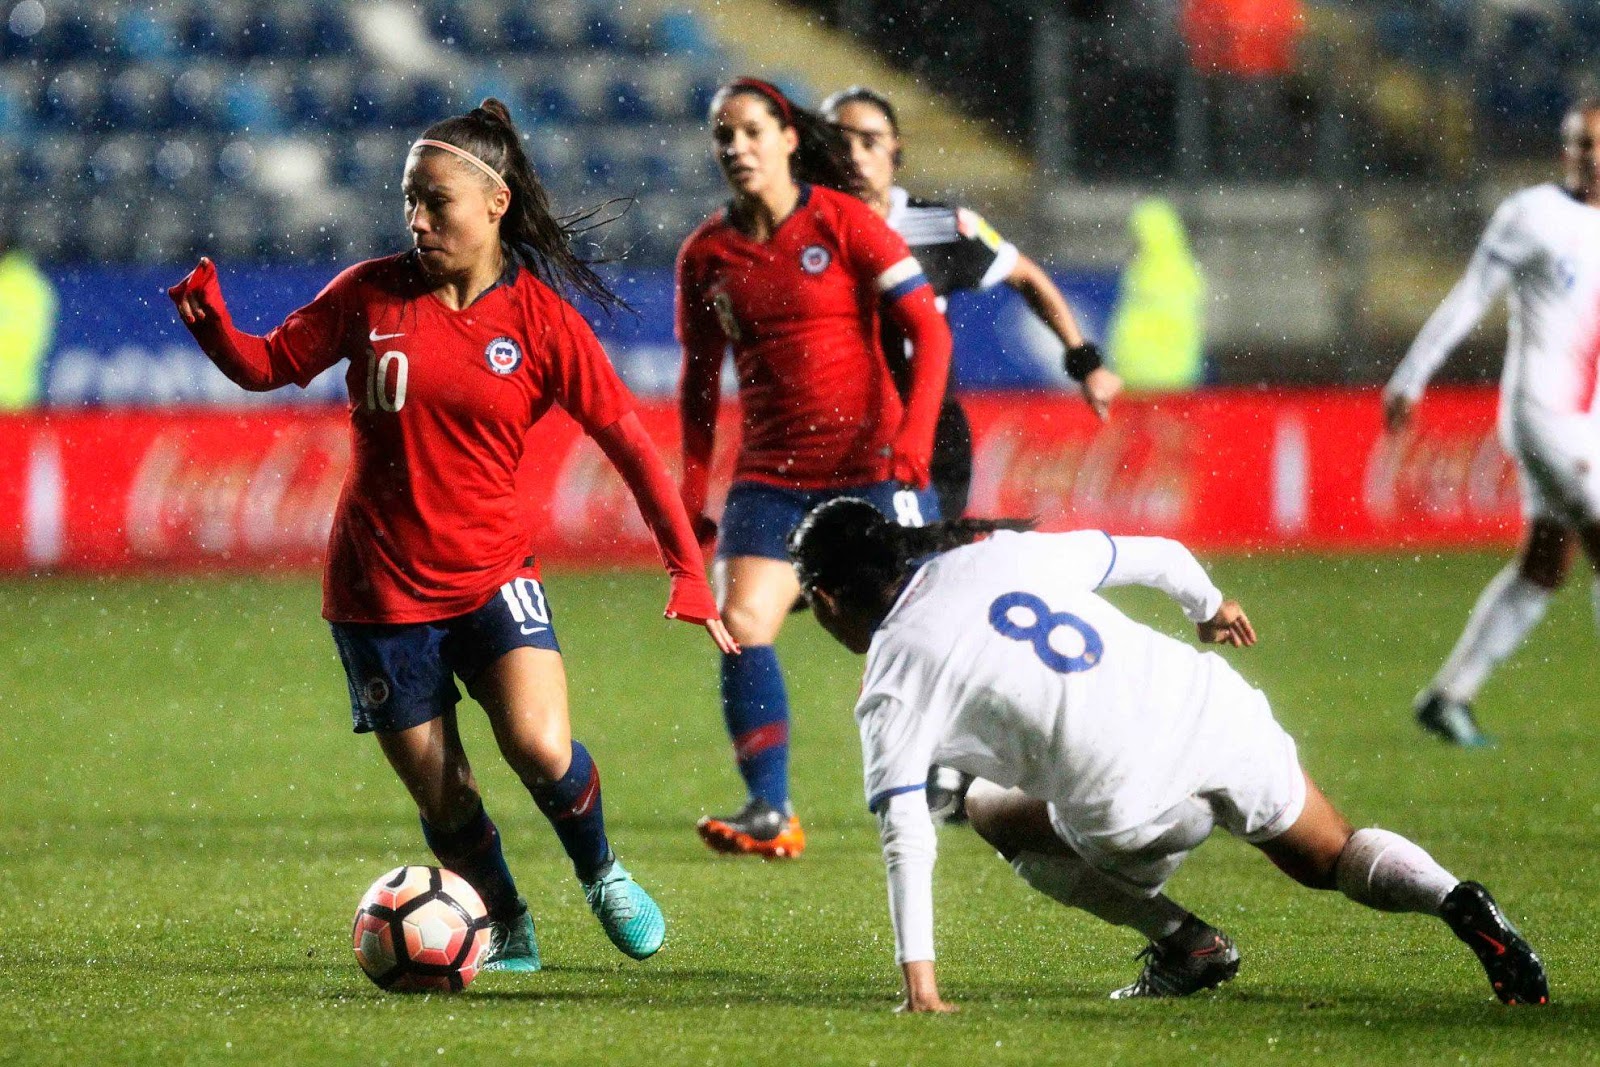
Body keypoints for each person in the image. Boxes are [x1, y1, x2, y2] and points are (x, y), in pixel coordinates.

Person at [167, 99, 737, 972]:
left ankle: (602, 871)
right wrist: (211, 321)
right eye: (409, 202)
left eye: (437, 202)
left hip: (492, 572)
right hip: (378, 592)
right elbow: (269, 364)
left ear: (496, 203)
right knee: (446, 793)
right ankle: (505, 917)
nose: (418, 220)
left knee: (543, 746)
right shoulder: (369, 293)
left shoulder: (541, 323)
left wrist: (686, 570)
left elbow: (629, 444)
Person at [786, 497, 1550, 1011]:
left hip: (1130, 805)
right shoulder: (997, 554)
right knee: (1332, 855)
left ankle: (1188, 943)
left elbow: (907, 833)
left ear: (823, 600)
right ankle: (1456, 900)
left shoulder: (891, 674)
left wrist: (920, 981)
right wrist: (1210, 607)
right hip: (1210, 708)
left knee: (984, 805)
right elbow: (1154, 553)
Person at [677, 77, 953, 858]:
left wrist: (916, 440)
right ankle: (770, 809)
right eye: (723, 136)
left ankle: (962, 771)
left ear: (790, 138)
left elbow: (929, 334)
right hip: (772, 475)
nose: (737, 148)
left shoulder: (844, 223)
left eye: (752, 132)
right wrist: (692, 493)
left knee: (918, 636)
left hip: (872, 467)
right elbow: (699, 384)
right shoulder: (706, 255)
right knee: (739, 626)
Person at [1383, 99, 1600, 748]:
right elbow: (1470, 296)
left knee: (1545, 564)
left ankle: (1448, 695)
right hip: (1540, 413)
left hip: (1585, 420)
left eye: (1596, 143)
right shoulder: (1532, 215)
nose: (1587, 156)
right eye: (1577, 144)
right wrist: (1411, 375)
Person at [821, 86, 1123, 519]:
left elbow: (1027, 276)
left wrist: (1084, 361)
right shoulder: (799, 233)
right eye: (839, 141)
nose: (854, 154)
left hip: (925, 433)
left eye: (869, 140)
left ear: (895, 149)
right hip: (832, 436)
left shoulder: (944, 227)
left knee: (916, 573)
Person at [1105, 197, 1208, 392]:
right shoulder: (1147, 268)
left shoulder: (1173, 271)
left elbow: (1173, 323)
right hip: (1147, 373)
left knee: (1158, 420)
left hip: (1163, 376)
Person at [0, 233, 58, 410]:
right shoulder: (34, 284)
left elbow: (26, 341)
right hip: (20, 399)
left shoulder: (21, 286)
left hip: (14, 401)